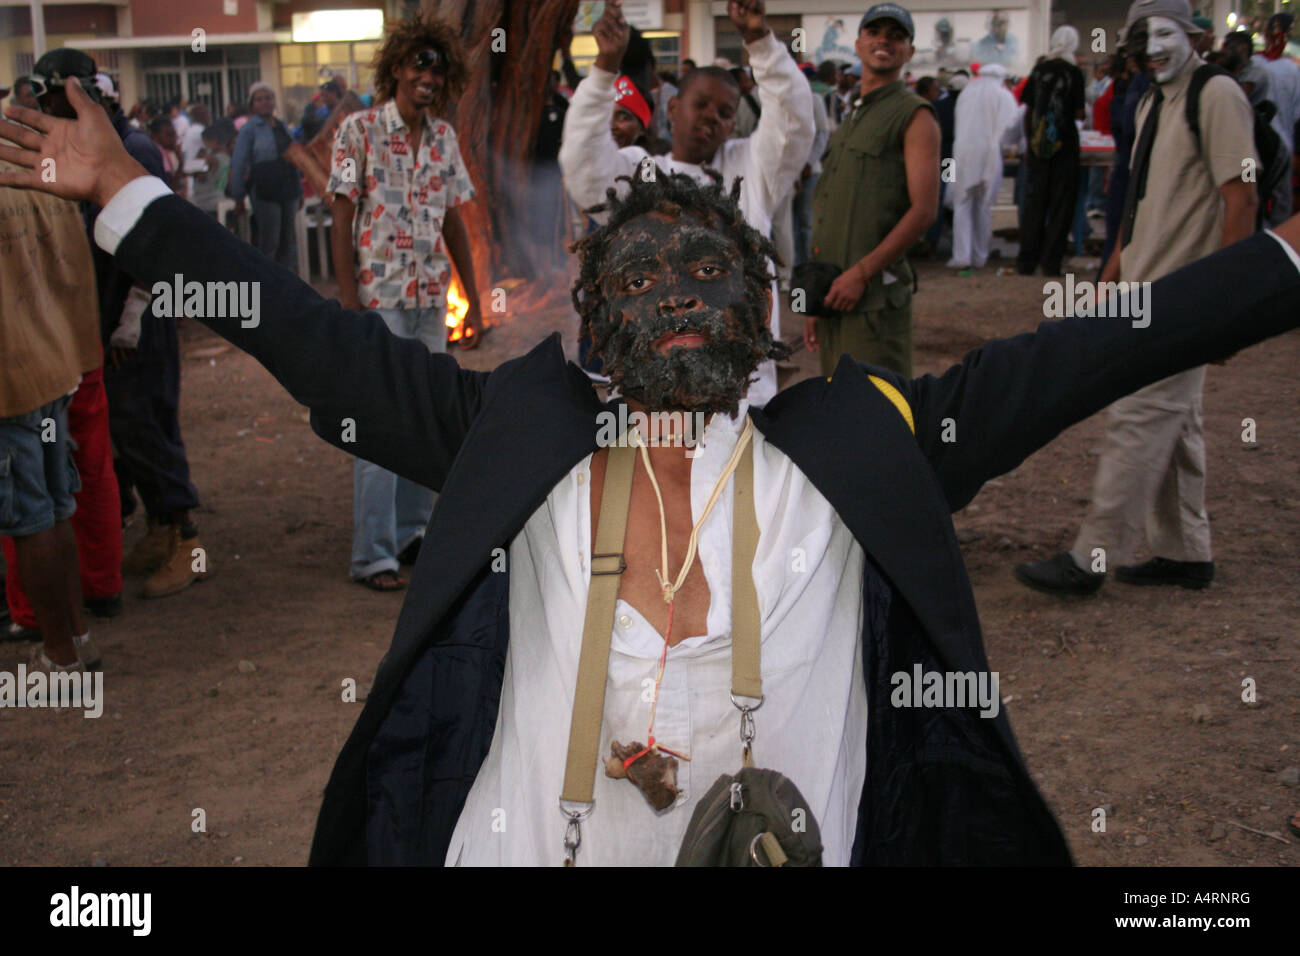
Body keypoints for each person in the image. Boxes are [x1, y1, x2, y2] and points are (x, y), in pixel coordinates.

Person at [8, 68, 1300, 867]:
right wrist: (124, 187)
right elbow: (310, 339)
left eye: (709, 272)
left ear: (768, 314)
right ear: (591, 323)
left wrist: (1288, 257)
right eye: (640, 276)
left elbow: (1110, 351)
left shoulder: (865, 446)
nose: (678, 294)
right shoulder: (507, 440)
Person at [1016, 0, 1259, 597]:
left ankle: (1091, 558)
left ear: (1194, 35)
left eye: (1163, 34)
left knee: (1140, 413)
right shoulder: (1152, 98)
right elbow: (1141, 198)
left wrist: (1229, 303)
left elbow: (1243, 197)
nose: (1152, 48)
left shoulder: (1217, 95)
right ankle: (1184, 553)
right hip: (1143, 290)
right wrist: (1112, 274)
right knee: (1176, 421)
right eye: (1141, 39)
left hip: (1185, 298)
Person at [560, 0, 813, 409]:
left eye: (725, 112)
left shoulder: (751, 171)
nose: (711, 117)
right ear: (674, 108)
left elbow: (794, 122)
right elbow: (583, 165)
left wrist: (759, 41)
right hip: (651, 392)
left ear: (734, 123)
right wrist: (605, 66)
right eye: (701, 104)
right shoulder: (637, 176)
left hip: (741, 396)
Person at [328, 11, 483, 593]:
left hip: (428, 297)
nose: (430, 77)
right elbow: (341, 215)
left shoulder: (443, 138)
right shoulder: (356, 131)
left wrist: (473, 297)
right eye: (420, 64)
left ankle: (413, 533)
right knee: (378, 419)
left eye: (439, 70)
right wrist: (347, 299)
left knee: (425, 414)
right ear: (396, 67)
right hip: (379, 298)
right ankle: (372, 554)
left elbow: (453, 221)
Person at [807, 3, 941, 378]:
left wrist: (861, 273)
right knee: (839, 411)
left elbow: (924, 210)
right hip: (835, 298)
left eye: (896, 35)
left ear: (909, 52)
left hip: (872, 303)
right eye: (875, 32)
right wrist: (817, 301)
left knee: (879, 415)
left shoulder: (915, 114)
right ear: (859, 43)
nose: (884, 40)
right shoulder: (854, 115)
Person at [1016, 25, 1085, 276]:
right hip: (1065, 146)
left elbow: (1028, 111)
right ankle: (1051, 263)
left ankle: (1026, 262)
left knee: (1034, 204)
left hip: (1037, 146)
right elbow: (1079, 112)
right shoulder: (1074, 73)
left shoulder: (1038, 70)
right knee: (1060, 205)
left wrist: (1030, 142)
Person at [948, 63, 1018, 270]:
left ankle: (961, 255)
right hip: (989, 154)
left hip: (962, 154)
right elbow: (1010, 126)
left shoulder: (965, 95)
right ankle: (980, 255)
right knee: (983, 206)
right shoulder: (1002, 96)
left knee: (962, 204)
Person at [229, 82, 301, 271]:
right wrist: (238, 196)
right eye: (259, 99)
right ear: (252, 104)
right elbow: (239, 162)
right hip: (265, 188)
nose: (265, 102)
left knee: (288, 240)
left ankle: (288, 287)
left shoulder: (283, 126)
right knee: (270, 241)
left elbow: (296, 157)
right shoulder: (249, 129)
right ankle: (268, 287)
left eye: (268, 98)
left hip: (288, 186)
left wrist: (299, 191)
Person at [1254, 13, 1300, 223]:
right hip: (1275, 149)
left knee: (1254, 188)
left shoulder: (1254, 64)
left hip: (1254, 149)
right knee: (1275, 199)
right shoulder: (1291, 69)